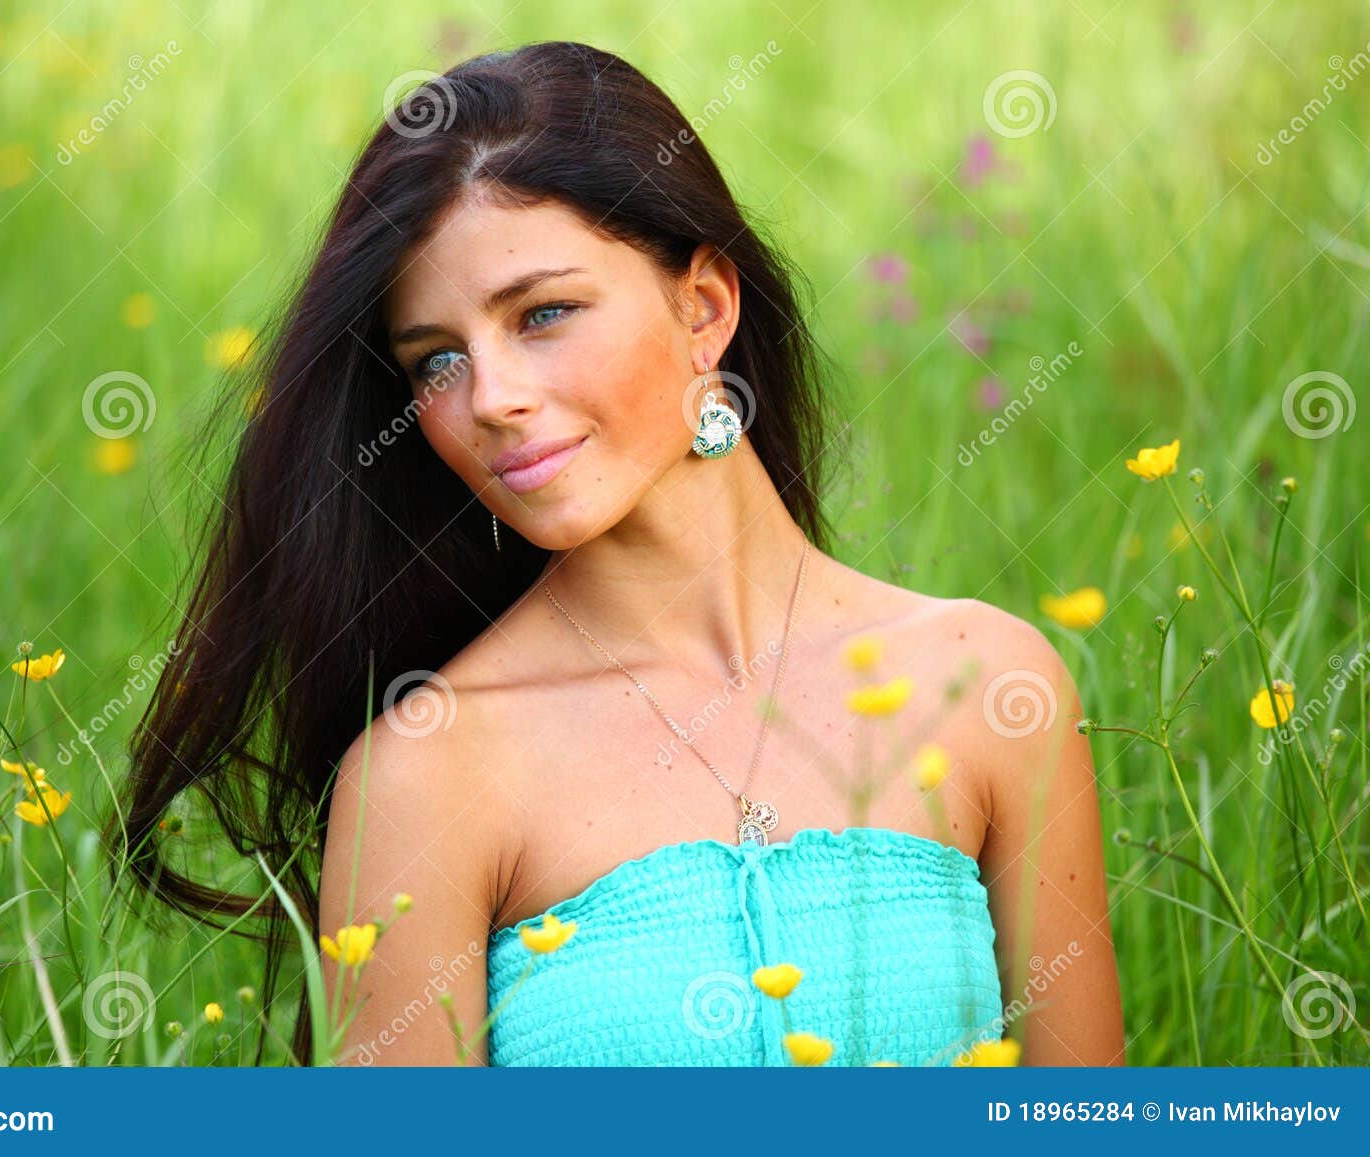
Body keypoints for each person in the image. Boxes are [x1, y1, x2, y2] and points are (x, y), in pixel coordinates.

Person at [117, 40, 1124, 1067]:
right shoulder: (427, 774)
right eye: (437, 360)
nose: (490, 397)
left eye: (542, 313)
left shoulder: (988, 683)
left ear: (705, 308)